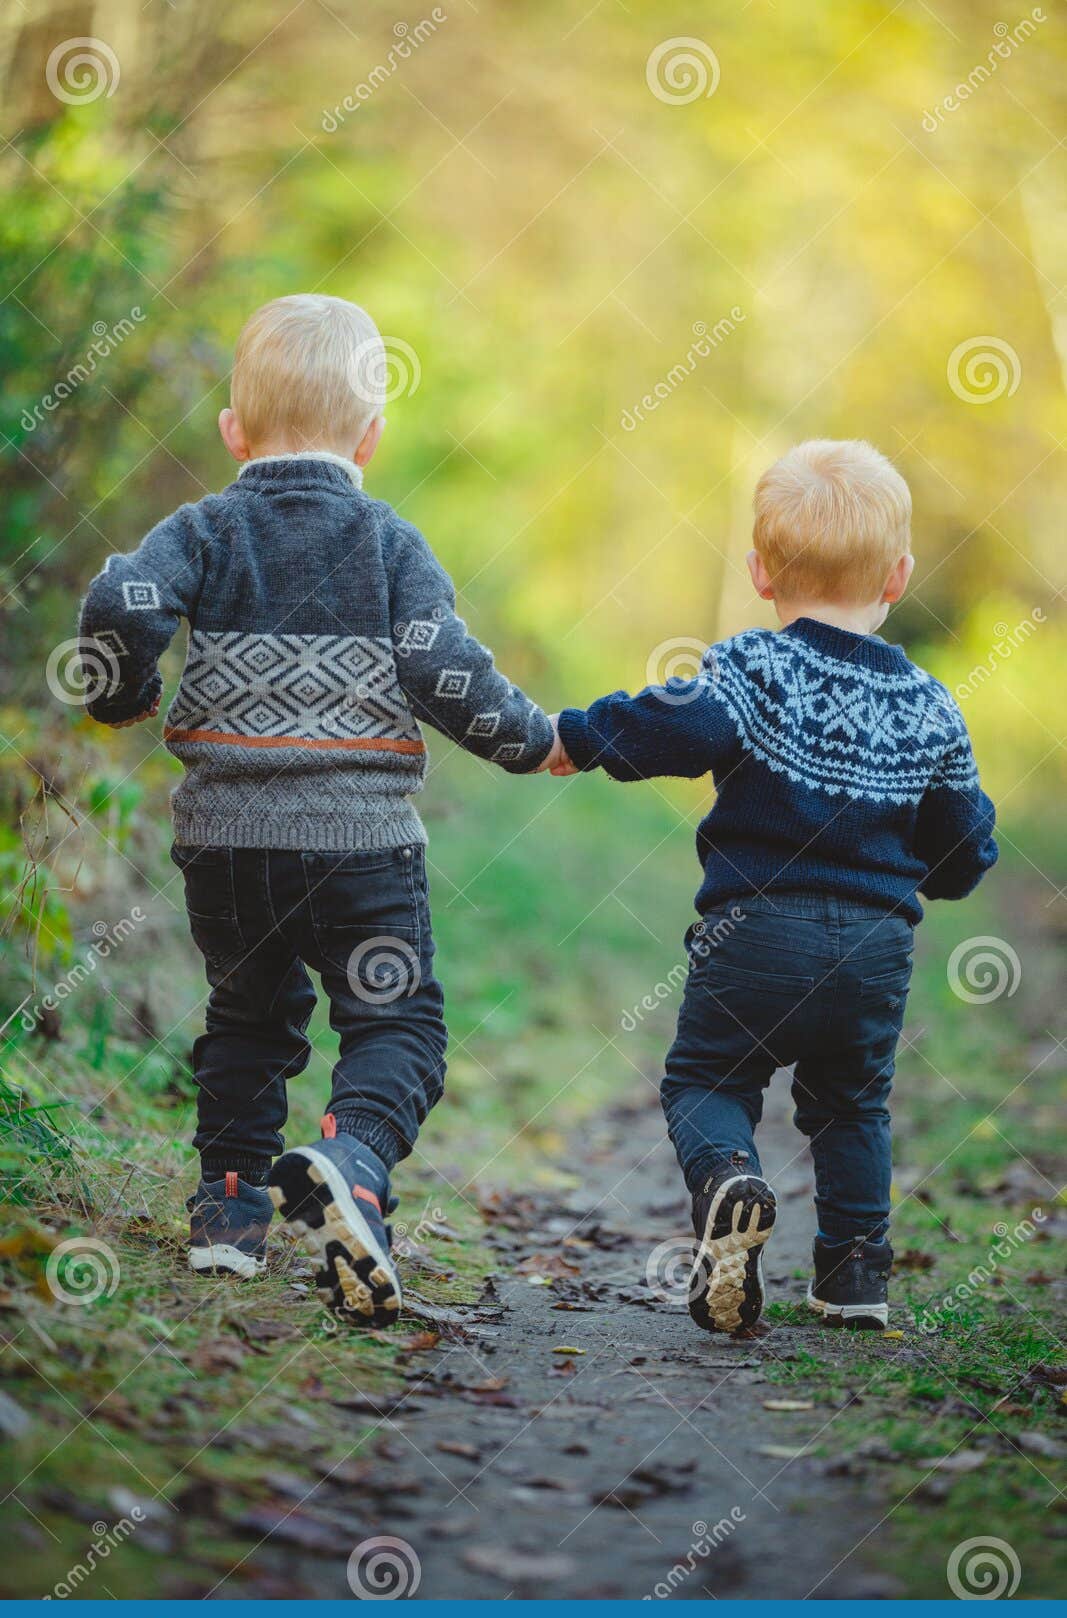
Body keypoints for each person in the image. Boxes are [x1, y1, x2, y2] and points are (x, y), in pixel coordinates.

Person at [78, 292, 560, 1326]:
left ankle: (229, 1216)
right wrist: (533, 740)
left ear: (232, 431)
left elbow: (121, 602)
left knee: (248, 1016)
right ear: (373, 435)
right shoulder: (387, 542)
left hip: (227, 846)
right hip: (360, 852)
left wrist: (124, 693)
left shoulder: (204, 528)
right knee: (397, 1022)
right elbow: (446, 674)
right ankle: (348, 1159)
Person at [552, 439, 997, 1333]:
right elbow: (963, 845)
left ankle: (727, 1181)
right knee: (852, 1107)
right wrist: (929, 876)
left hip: (754, 931)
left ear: (760, 572)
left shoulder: (752, 666)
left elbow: (665, 731)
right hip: (874, 949)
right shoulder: (930, 704)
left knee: (706, 1080)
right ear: (899, 575)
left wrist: (576, 735)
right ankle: (854, 1282)